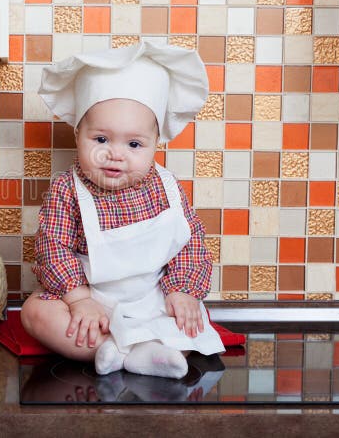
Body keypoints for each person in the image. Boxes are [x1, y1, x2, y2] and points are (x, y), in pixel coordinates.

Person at [21, 41, 225, 379]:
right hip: (91, 302)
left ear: (155, 144)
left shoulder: (168, 187)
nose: (116, 154)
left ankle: (140, 351)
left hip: (153, 299)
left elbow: (190, 244)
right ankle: (116, 350)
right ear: (78, 135)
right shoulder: (67, 189)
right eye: (101, 139)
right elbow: (51, 248)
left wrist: (182, 290)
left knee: (189, 321)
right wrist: (78, 299)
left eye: (133, 144)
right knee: (34, 313)